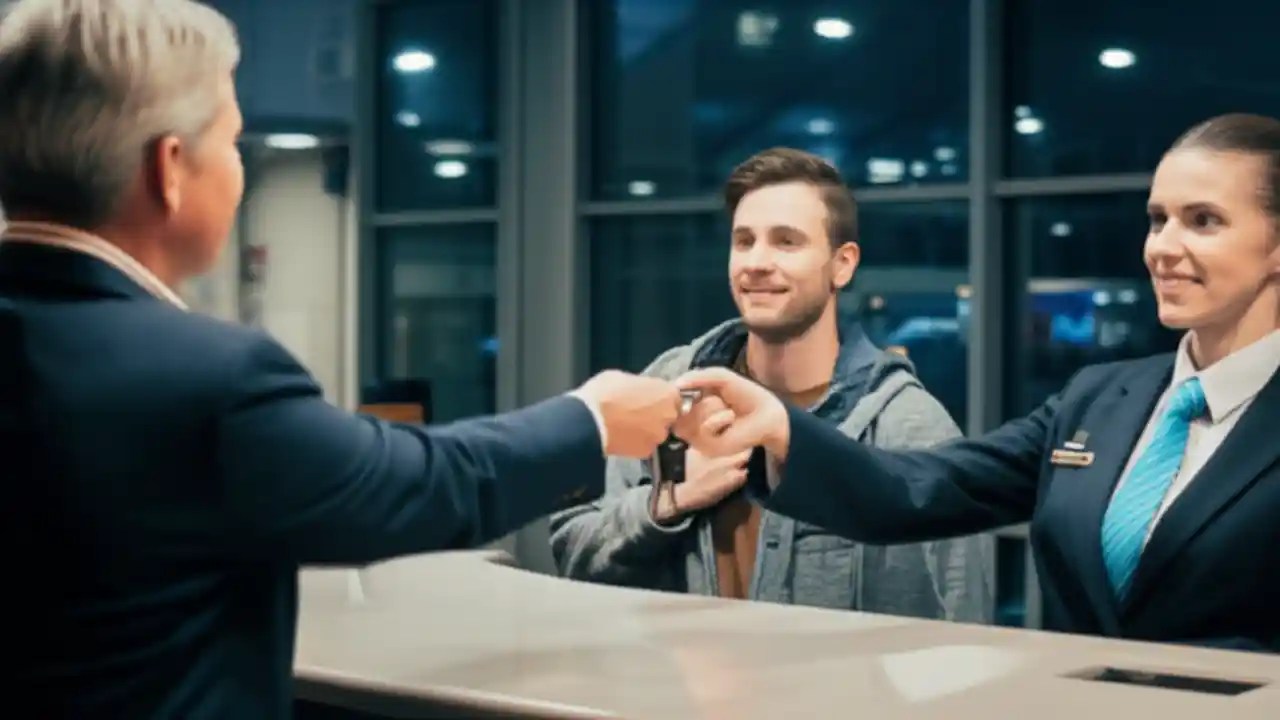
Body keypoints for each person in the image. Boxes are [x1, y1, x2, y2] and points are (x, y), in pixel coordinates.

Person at [0, 1, 683, 717]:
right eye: (232, 143)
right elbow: (424, 485)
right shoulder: (206, 381)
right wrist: (593, 420)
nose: (237, 171)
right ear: (170, 169)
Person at [678, 113, 1280, 652]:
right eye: (1157, 220)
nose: (1162, 247)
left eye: (1203, 221)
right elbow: (924, 487)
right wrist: (784, 432)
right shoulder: (1098, 398)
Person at [550, 148, 992, 622]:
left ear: (842, 265)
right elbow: (571, 548)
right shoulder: (669, 387)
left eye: (786, 242)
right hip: (666, 696)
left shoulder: (905, 430)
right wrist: (668, 501)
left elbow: (963, 626)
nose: (756, 262)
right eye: (744, 241)